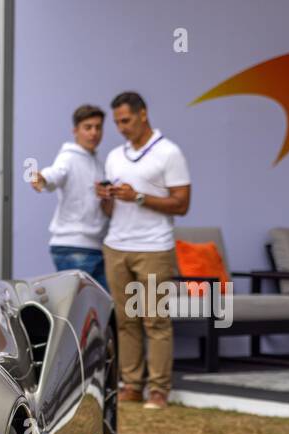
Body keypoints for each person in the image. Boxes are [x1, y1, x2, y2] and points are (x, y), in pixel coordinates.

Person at [98, 91, 191, 410]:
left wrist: (138, 197)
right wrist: (106, 197)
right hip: (117, 245)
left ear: (143, 114)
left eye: (125, 121)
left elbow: (182, 204)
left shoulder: (169, 152)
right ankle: (131, 385)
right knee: (126, 320)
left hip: (154, 247)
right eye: (117, 123)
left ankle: (158, 390)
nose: (121, 128)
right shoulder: (114, 156)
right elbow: (111, 211)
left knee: (155, 319)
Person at [31, 104, 109, 288]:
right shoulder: (68, 157)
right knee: (80, 311)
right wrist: (43, 178)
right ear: (75, 131)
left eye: (98, 127)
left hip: (94, 247)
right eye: (87, 127)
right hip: (73, 246)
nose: (93, 133)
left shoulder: (98, 163)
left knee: (99, 309)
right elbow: (57, 173)